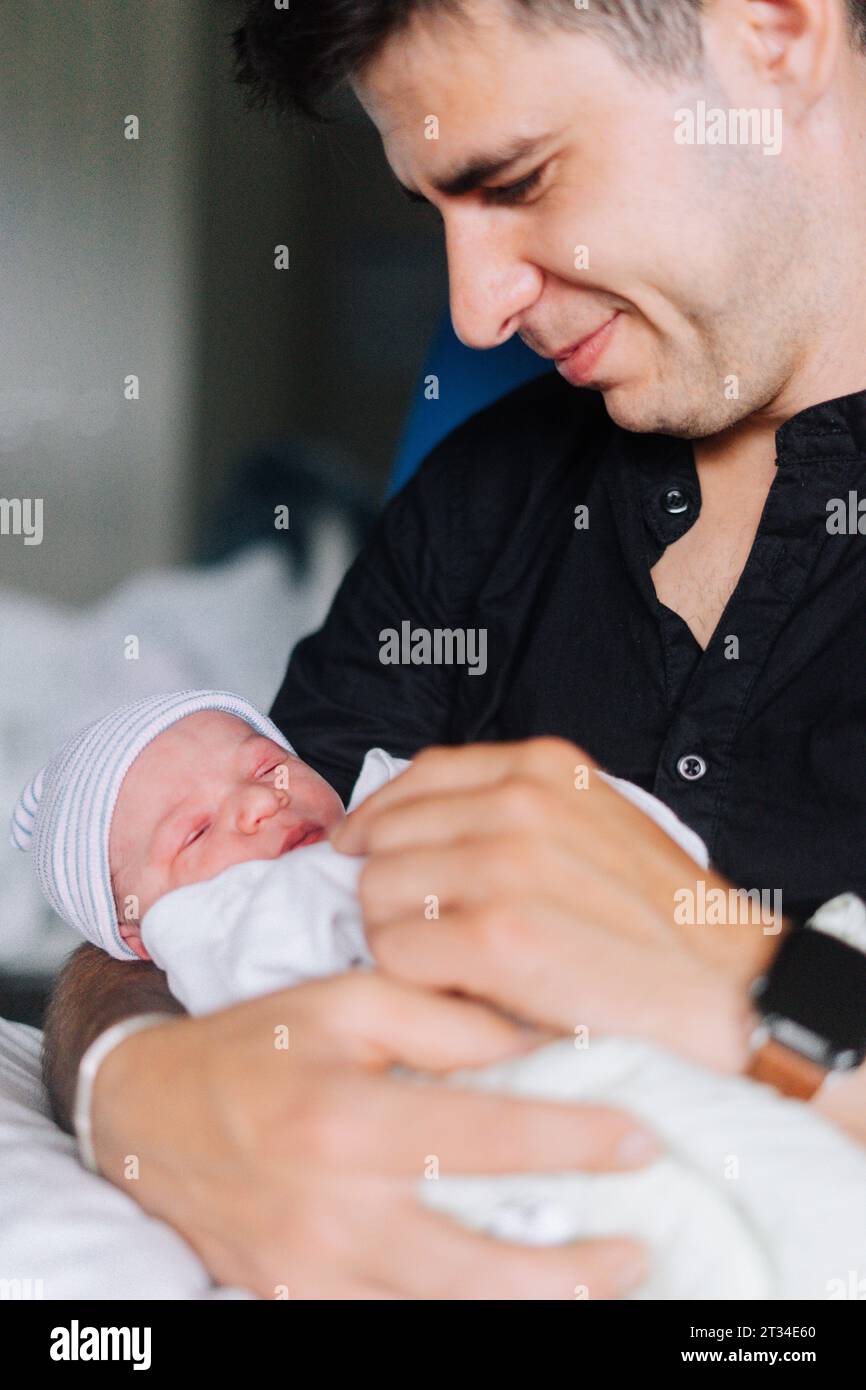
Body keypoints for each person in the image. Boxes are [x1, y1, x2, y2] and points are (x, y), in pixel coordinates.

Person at [40, 0, 866, 1299]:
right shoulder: (486, 496)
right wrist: (134, 1086)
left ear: (775, 29)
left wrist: (730, 973)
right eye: (437, 211)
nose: (474, 315)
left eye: (521, 178)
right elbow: (166, 879)